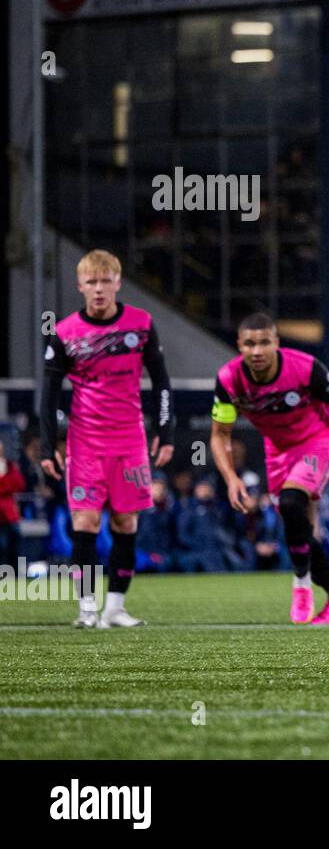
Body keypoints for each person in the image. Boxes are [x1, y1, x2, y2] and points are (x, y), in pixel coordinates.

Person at [39, 249, 174, 628]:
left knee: (125, 524)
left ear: (118, 283)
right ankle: (86, 609)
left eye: (105, 281)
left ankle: (114, 608)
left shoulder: (141, 324)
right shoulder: (64, 332)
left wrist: (166, 432)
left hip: (130, 441)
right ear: (80, 286)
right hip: (85, 443)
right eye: (91, 283)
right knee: (84, 522)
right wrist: (49, 445)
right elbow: (48, 395)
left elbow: (161, 381)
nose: (99, 289)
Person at [209, 313, 329, 625]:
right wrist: (231, 478)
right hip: (277, 450)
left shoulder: (305, 368)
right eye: (249, 343)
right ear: (239, 346)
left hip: (320, 439)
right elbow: (219, 435)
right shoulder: (228, 379)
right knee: (298, 524)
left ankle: (301, 584)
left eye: (264, 342)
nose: (257, 351)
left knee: (292, 503)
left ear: (276, 343)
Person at [0, 437, 25, 572]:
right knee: (2, 548)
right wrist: (6, 485)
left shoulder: (9, 466)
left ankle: (16, 574)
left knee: (15, 546)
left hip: (10, 515)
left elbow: (19, 484)